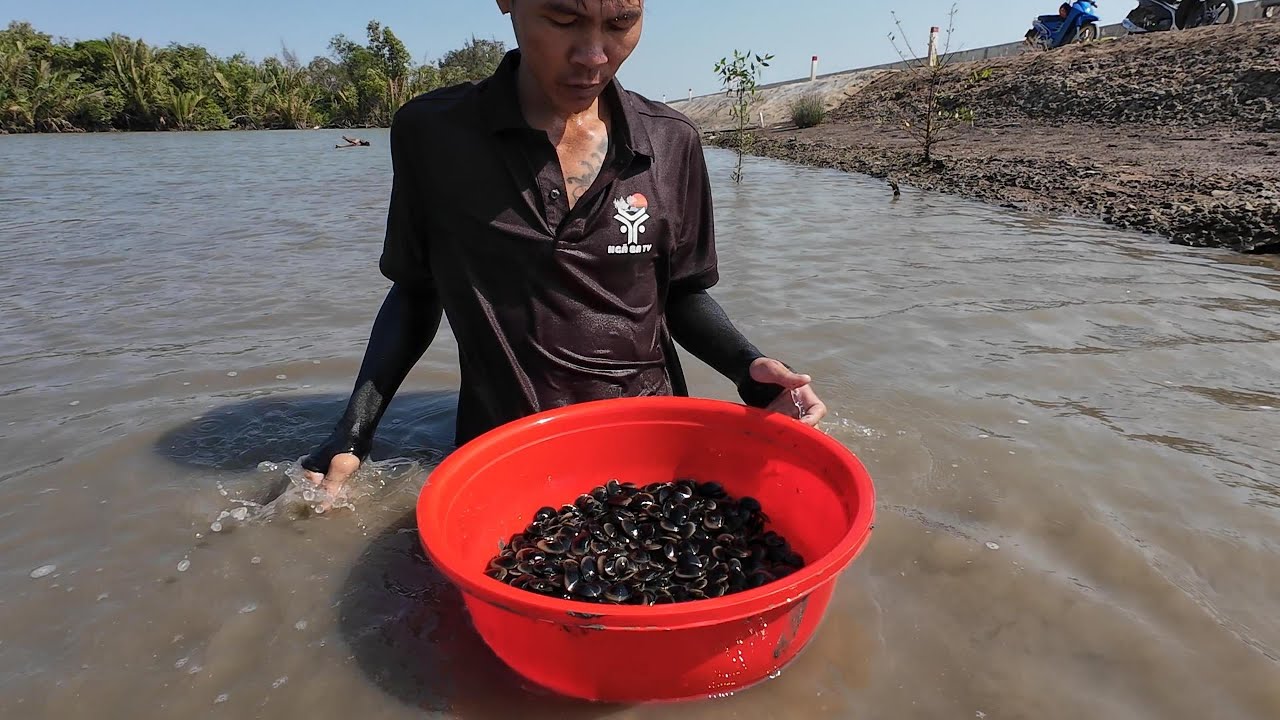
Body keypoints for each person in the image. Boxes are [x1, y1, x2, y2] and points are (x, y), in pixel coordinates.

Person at [301, 0, 828, 498]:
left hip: (653, 451)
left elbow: (680, 296)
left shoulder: (670, 142)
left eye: (621, 22)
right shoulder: (433, 133)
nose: (594, 55)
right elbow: (417, 291)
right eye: (562, 18)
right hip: (499, 451)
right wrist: (352, 434)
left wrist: (750, 369)